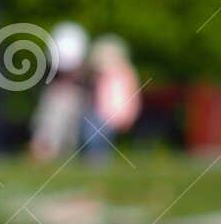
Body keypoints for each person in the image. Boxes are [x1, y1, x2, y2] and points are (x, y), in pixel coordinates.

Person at [29, 21, 89, 161]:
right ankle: (44, 157)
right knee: (49, 132)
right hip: (60, 96)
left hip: (67, 96)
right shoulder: (56, 89)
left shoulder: (73, 89)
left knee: (65, 136)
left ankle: (50, 157)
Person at [81, 35, 141, 161]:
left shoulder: (126, 74)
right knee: (95, 138)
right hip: (102, 114)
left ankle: (97, 161)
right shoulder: (101, 76)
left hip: (114, 115)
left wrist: (129, 116)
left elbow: (133, 97)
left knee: (96, 138)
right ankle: (96, 160)